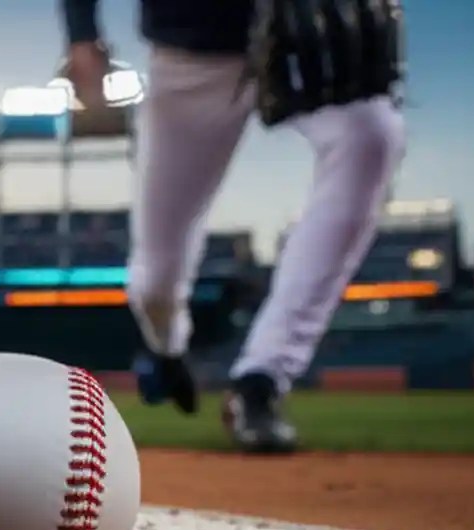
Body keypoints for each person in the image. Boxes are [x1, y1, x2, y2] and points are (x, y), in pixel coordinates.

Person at [61, 0, 405, 453]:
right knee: (154, 281)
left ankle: (261, 379)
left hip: (305, 39)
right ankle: (166, 348)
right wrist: (82, 35)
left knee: (371, 136)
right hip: (190, 53)